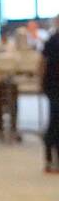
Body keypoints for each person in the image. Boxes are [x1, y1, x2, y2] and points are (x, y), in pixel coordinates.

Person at [42, 16, 59, 173]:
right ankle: (49, 159)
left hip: (51, 85)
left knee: (54, 121)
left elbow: (42, 64)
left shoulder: (51, 41)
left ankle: (51, 159)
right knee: (54, 122)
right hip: (54, 85)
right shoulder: (52, 41)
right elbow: (43, 64)